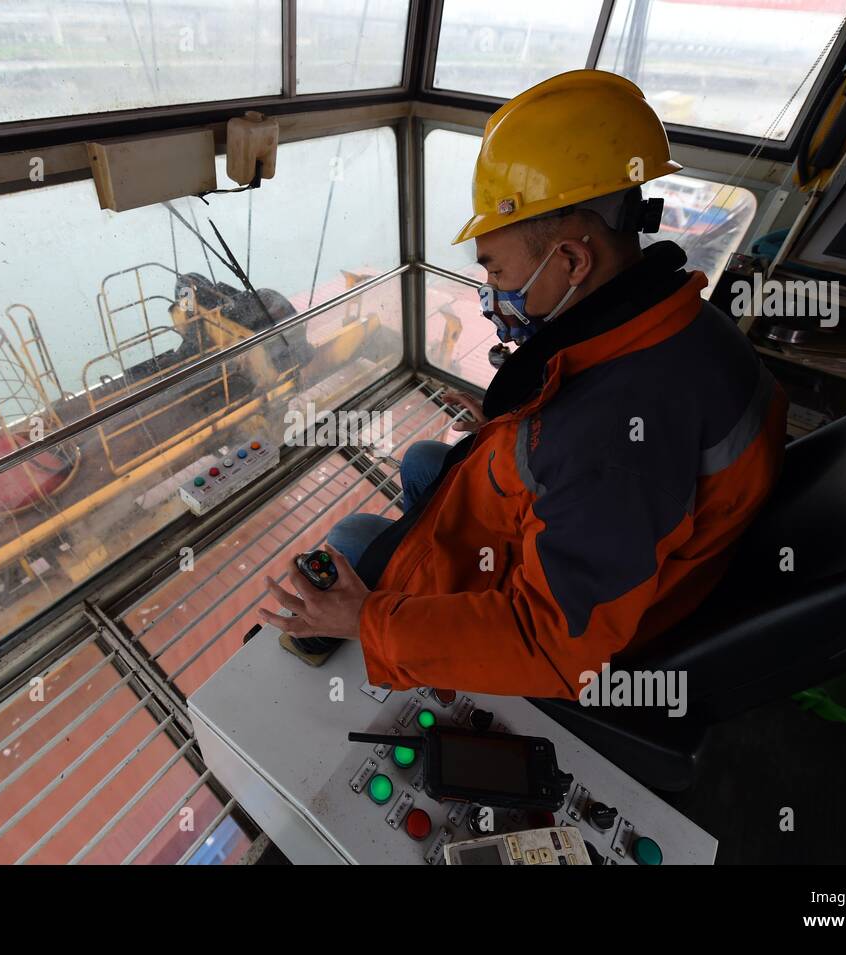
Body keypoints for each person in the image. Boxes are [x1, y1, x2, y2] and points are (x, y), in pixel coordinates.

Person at [259, 70, 787, 699]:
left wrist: (363, 619)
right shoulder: (685, 323)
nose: (493, 293)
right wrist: (511, 424)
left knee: (350, 538)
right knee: (431, 459)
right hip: (600, 540)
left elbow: (551, 644)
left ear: (570, 261)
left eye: (497, 269)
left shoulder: (611, 440)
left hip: (562, 619)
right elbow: (600, 451)